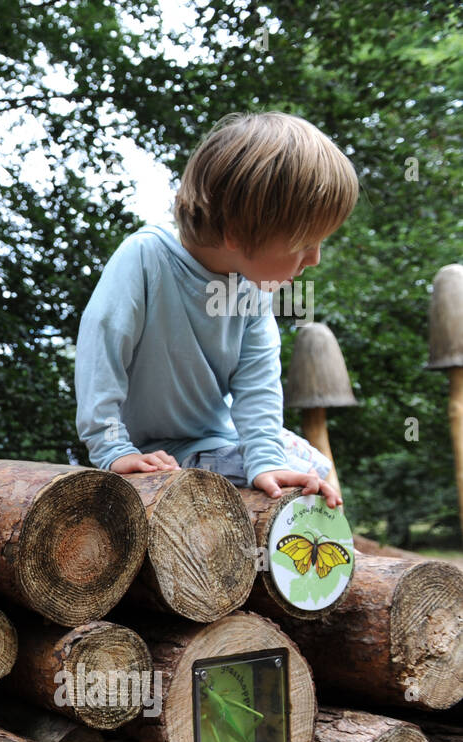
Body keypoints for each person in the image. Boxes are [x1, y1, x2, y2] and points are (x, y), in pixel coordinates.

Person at [74, 112, 359, 510]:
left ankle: (324, 566)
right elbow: (100, 353)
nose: (314, 259)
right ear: (238, 233)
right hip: (157, 452)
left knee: (311, 465)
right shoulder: (145, 260)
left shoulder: (253, 290)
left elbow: (258, 384)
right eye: (304, 243)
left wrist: (265, 460)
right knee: (299, 481)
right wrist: (112, 449)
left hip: (216, 440)